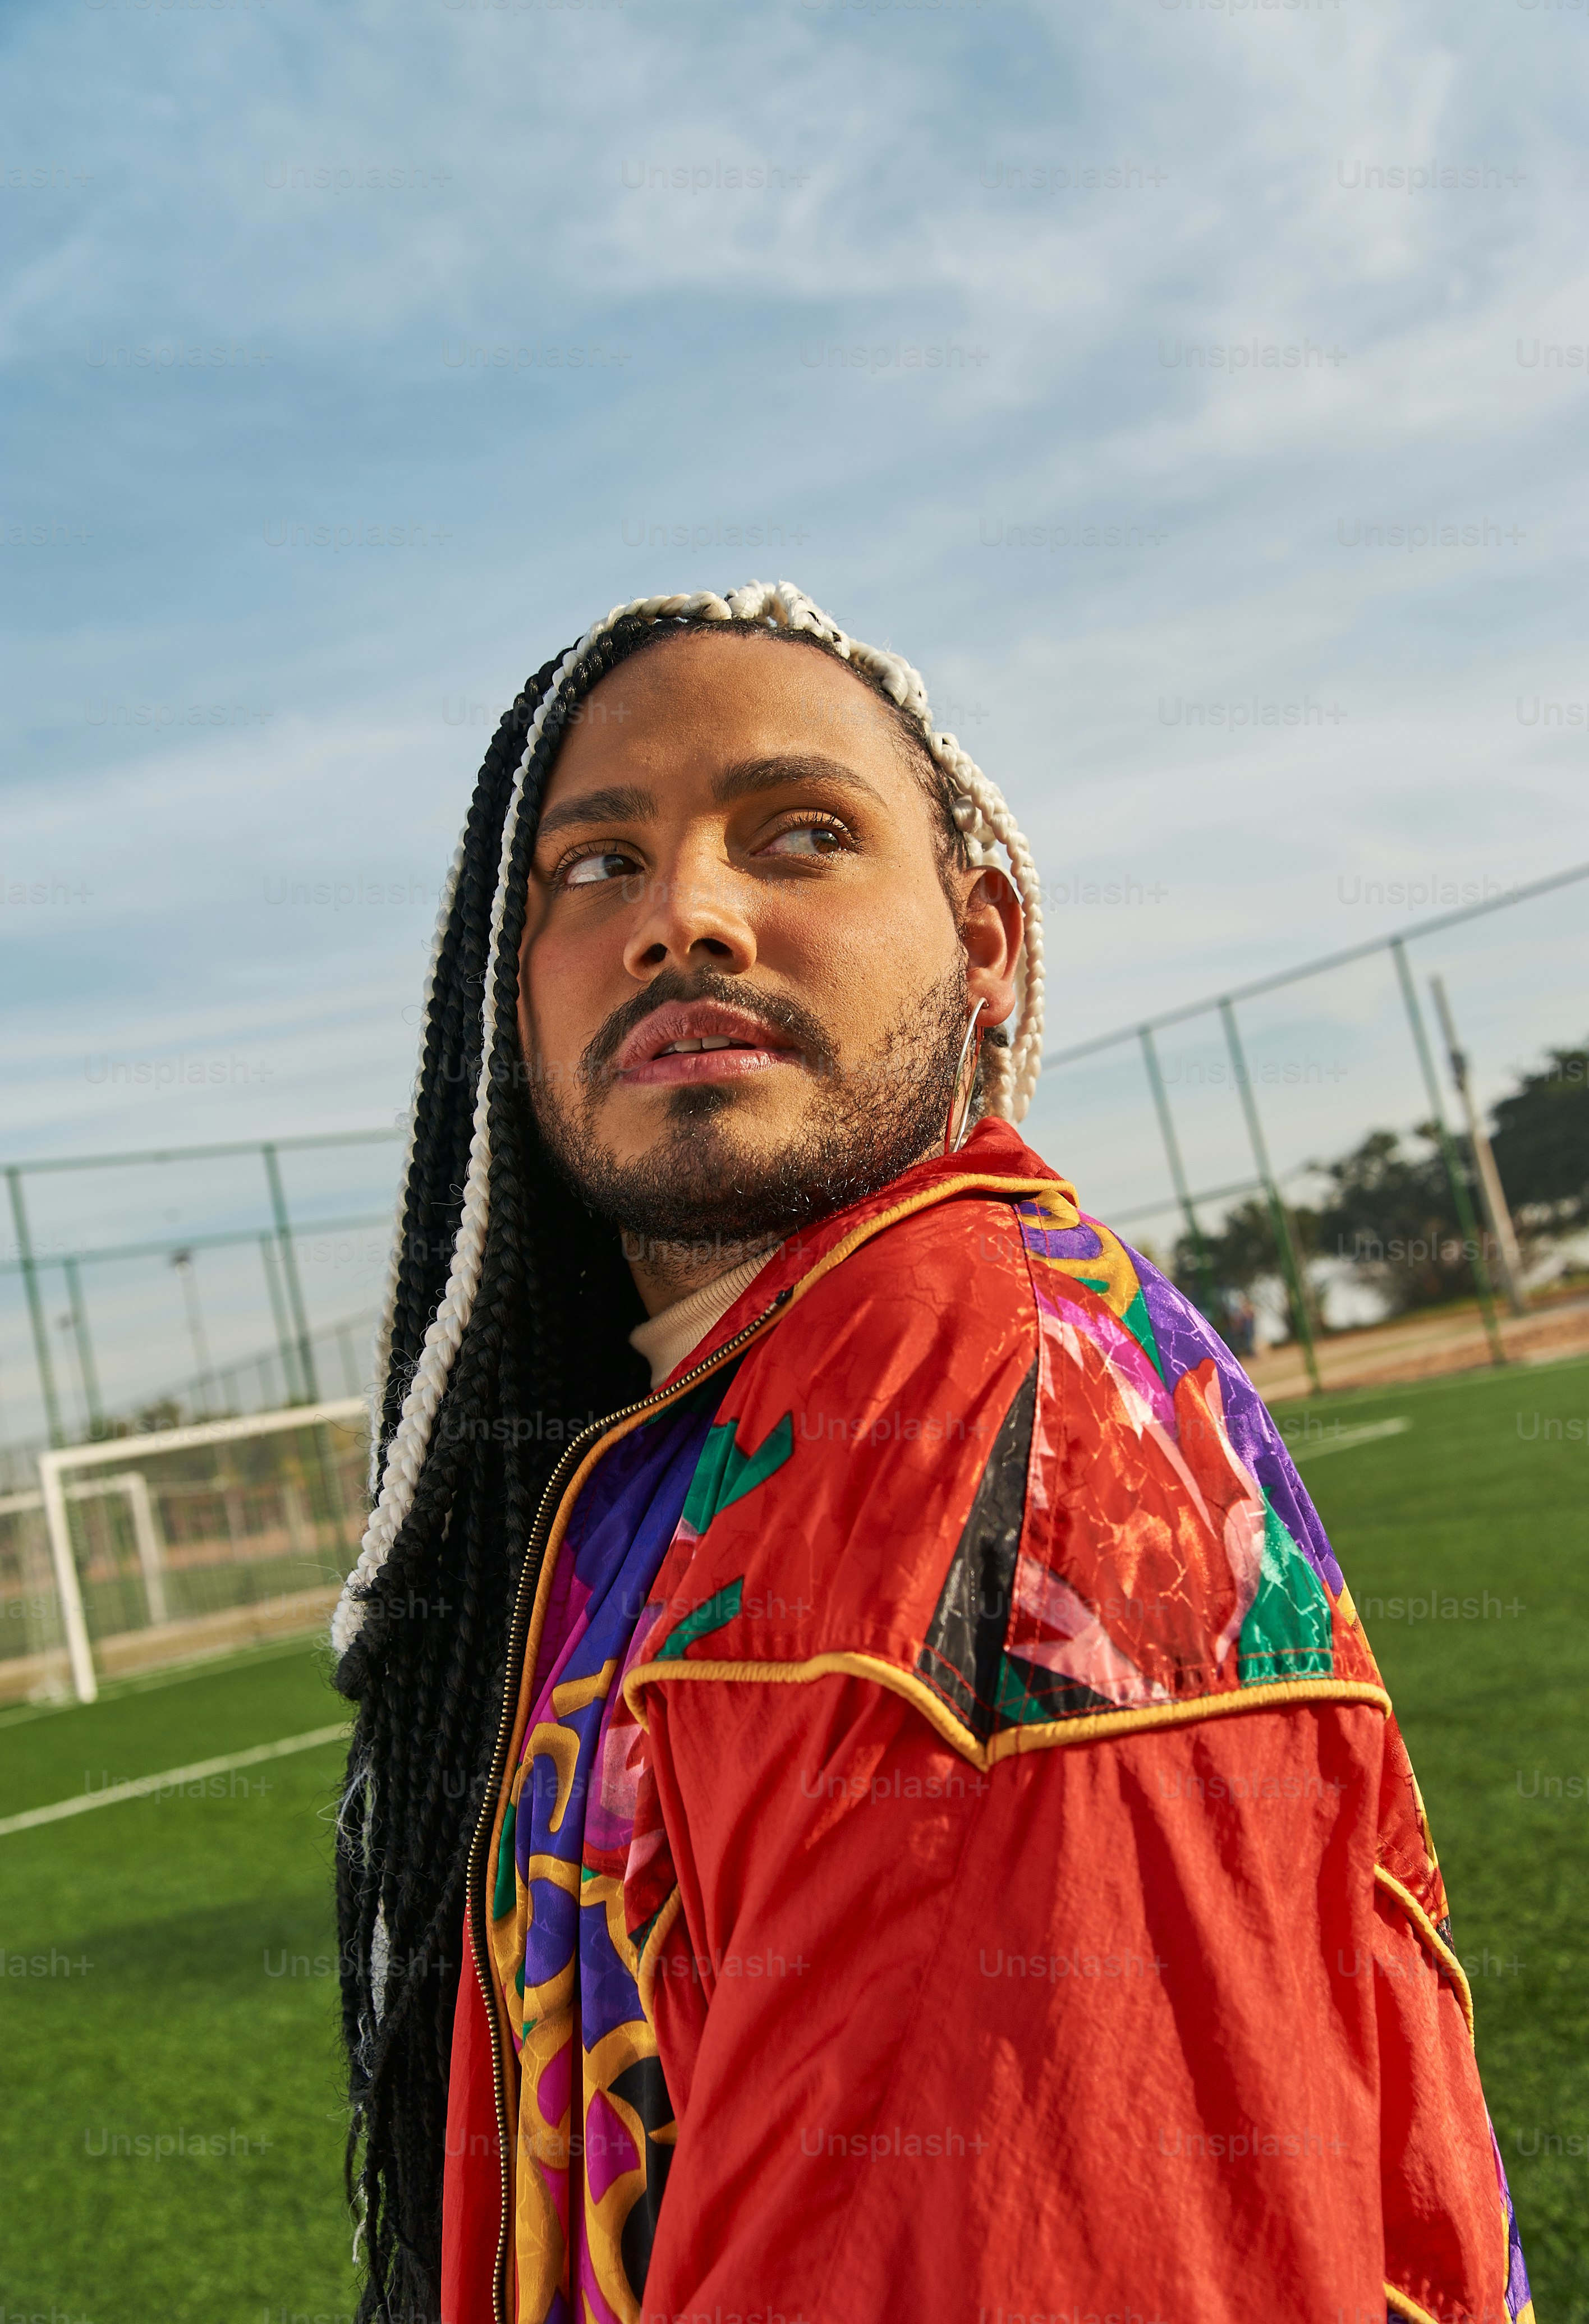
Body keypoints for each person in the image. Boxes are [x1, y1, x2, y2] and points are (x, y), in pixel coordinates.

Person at [332, 581, 1531, 2324]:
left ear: (984, 940)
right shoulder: (681, 1433)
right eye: (595, 865)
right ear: (508, 1001)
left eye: (801, 834)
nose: (686, 918)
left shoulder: (968, 1404)